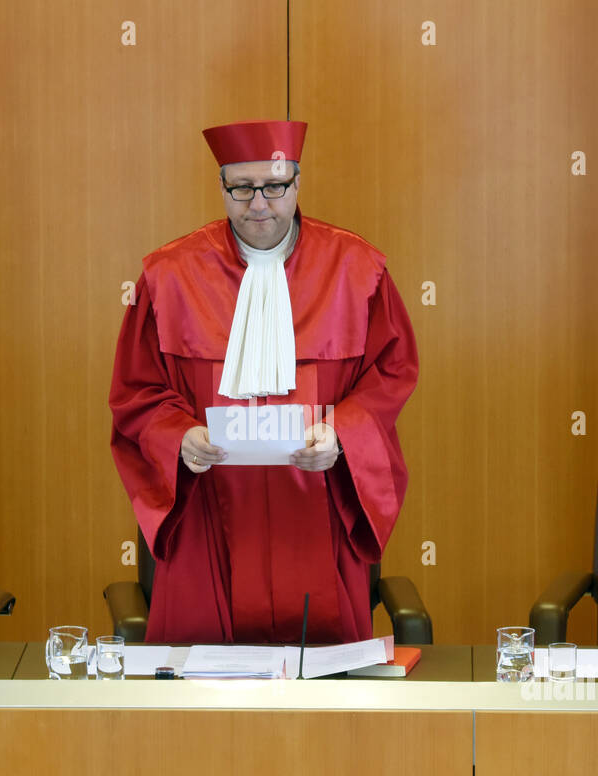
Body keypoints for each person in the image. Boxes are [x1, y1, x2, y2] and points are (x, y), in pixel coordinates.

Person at [109, 120, 419, 644]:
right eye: (242, 188)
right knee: (199, 703)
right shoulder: (169, 276)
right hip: (209, 513)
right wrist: (178, 437)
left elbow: (391, 372)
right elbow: (136, 391)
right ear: (222, 187)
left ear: (296, 183)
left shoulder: (357, 269)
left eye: (274, 186)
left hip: (316, 509)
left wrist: (342, 435)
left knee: (325, 701)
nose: (259, 204)